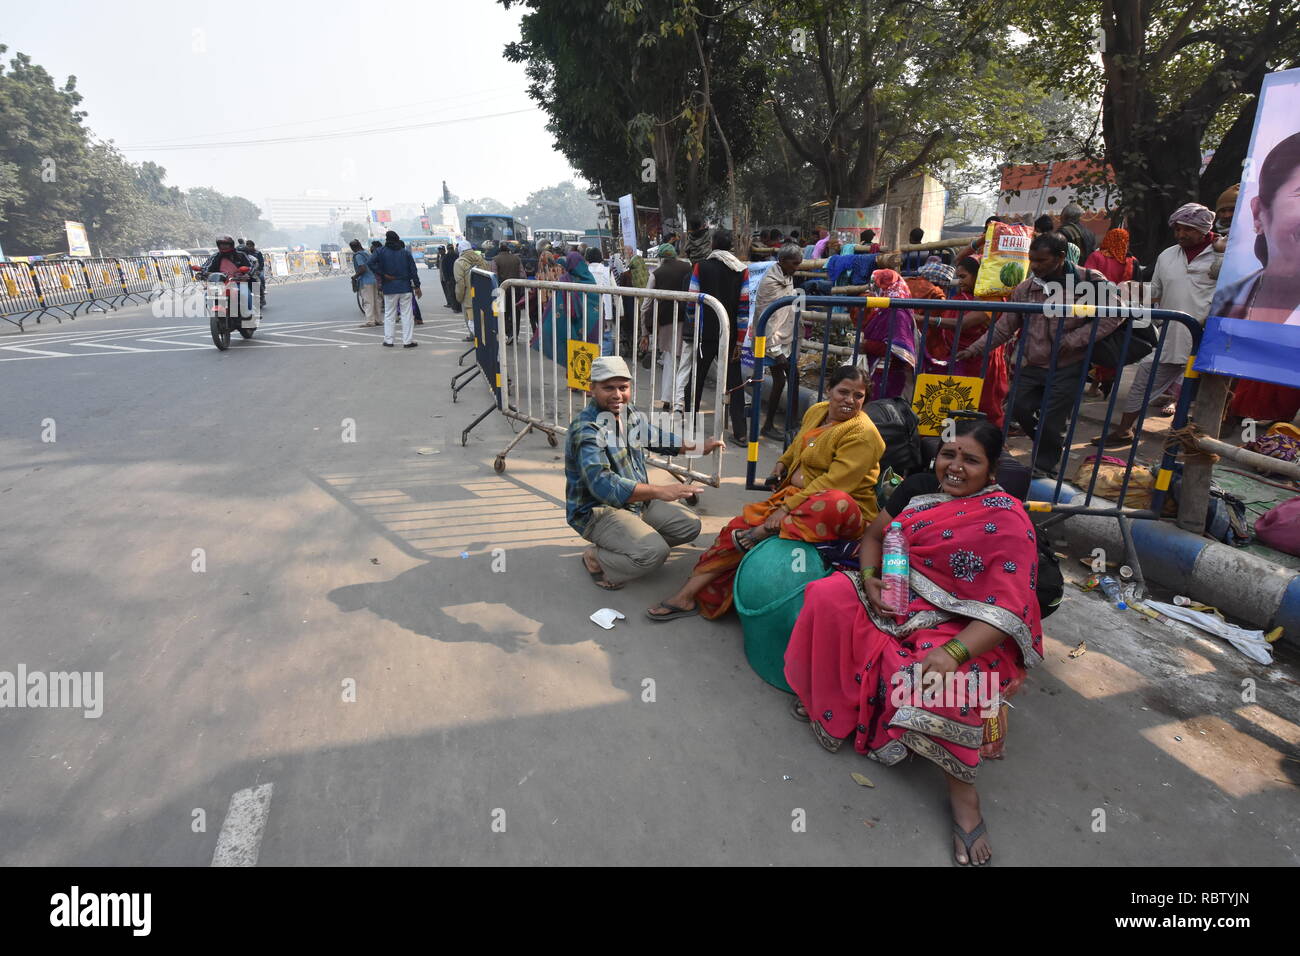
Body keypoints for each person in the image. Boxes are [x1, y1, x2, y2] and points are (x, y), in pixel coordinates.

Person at [784, 419, 1043, 865]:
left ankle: (965, 801)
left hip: (970, 628)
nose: (955, 467)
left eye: (970, 460)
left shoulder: (1007, 518)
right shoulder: (921, 494)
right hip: (901, 599)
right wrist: (869, 582)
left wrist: (953, 650)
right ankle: (831, 698)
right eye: (949, 455)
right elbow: (873, 537)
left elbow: (1008, 611)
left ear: (992, 469)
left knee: (943, 677)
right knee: (828, 593)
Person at [649, 364, 884, 621]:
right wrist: (782, 463)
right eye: (843, 392)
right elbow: (798, 446)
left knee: (833, 500)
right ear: (829, 390)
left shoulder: (863, 434)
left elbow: (835, 483)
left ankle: (764, 531)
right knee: (735, 531)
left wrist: (785, 509)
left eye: (858, 396)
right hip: (800, 498)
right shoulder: (818, 411)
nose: (850, 401)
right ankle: (686, 596)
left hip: (840, 508)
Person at [957, 232, 1120, 476]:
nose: (1034, 266)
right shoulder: (1025, 288)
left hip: (1069, 364)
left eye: (1041, 261)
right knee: (1018, 407)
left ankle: (1044, 467)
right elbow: (1004, 326)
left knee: (1053, 420)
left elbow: (1115, 313)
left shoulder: (1089, 281)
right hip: (1032, 362)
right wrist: (974, 349)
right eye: (1032, 260)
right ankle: (1049, 442)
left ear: (1061, 257)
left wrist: (1076, 339)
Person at [568, 356, 724, 591]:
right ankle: (595, 557)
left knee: (689, 525)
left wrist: (700, 446)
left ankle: (631, 543)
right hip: (597, 510)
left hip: (635, 503)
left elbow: (655, 436)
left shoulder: (627, 412)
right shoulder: (587, 429)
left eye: (623, 387)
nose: (617, 395)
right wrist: (660, 491)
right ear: (592, 389)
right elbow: (602, 484)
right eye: (608, 388)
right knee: (653, 552)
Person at [1092, 203, 1223, 446]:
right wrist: (1130, 291)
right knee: (1144, 376)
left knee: (1204, 395)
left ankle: (1192, 445)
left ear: (1204, 230)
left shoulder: (1223, 255)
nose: (1181, 234)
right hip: (1174, 336)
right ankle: (1124, 431)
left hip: (1210, 338)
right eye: (1178, 229)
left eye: (1188, 230)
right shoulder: (1168, 255)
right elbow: (1158, 291)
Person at [923, 257, 1010, 427]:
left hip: (983, 359)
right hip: (959, 358)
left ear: (979, 275)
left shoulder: (994, 300)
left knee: (985, 403)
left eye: (963, 277)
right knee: (958, 401)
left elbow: (963, 324)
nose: (959, 282)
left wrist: (928, 319)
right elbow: (958, 257)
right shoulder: (961, 298)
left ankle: (990, 443)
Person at [685, 229, 749, 442]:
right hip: (730, 335)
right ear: (730, 246)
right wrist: (740, 340)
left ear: (712, 244)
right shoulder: (741, 270)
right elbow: (743, 307)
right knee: (735, 382)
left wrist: (694, 327)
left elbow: (692, 301)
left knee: (697, 378)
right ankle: (740, 432)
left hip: (706, 334)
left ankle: (688, 424)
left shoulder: (700, 267)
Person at [754, 245, 803, 438]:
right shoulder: (770, 282)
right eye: (794, 263)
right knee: (781, 380)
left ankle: (791, 423)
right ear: (782, 262)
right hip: (772, 341)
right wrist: (775, 350)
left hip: (785, 337)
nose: (797, 267)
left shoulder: (787, 276)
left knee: (792, 378)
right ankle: (769, 425)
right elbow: (766, 318)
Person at [640, 243, 694, 411]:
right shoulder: (688, 267)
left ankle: (668, 399)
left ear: (661, 258)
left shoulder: (656, 273)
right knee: (686, 360)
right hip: (689, 320)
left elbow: (645, 304)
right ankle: (682, 400)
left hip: (667, 323)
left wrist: (644, 332)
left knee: (670, 359)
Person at [858, 268, 921, 400]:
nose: (873, 289)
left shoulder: (897, 312)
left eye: (877, 285)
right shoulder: (884, 309)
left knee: (883, 413)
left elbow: (900, 349)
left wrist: (867, 345)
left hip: (889, 375)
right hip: (879, 372)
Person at [367, 231, 422, 348]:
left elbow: (370, 263)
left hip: (389, 287)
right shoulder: (405, 253)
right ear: (397, 239)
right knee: (406, 315)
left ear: (387, 240)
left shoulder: (380, 251)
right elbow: (413, 270)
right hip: (405, 287)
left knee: (389, 314)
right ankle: (407, 341)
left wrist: (383, 274)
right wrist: (417, 286)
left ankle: (389, 341)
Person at [584, 246, 618, 354]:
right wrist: (619, 311)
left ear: (587, 259)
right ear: (601, 259)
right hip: (606, 312)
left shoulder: (584, 271)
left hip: (587, 311)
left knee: (588, 337)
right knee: (605, 337)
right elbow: (616, 292)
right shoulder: (607, 271)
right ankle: (603, 362)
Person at [453, 240, 488, 341]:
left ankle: (476, 338)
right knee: (482, 319)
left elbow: (460, 283)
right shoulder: (481, 260)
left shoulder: (459, 263)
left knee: (470, 319)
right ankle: (482, 338)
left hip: (468, 298)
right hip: (483, 295)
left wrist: (459, 297)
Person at [494, 240, 524, 342]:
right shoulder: (517, 259)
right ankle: (515, 335)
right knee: (515, 312)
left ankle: (506, 333)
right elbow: (522, 275)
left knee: (502, 312)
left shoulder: (495, 259)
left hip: (500, 290)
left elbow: (494, 276)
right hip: (515, 289)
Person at [350, 239, 381, 328]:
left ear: (352, 248)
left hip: (366, 281)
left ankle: (370, 321)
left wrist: (355, 276)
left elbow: (362, 268)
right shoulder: (366, 253)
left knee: (368, 302)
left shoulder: (358, 256)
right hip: (374, 279)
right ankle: (378, 320)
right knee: (376, 301)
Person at [243, 239, 267, 308]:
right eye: (247, 246)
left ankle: (262, 291)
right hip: (245, 272)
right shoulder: (242, 255)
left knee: (261, 277)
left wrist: (258, 270)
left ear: (253, 246)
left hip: (256, 270)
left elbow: (260, 263)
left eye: (250, 246)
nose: (249, 247)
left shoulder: (257, 253)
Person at [439, 243, 460, 310]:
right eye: (450, 249)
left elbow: (445, 270)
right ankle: (456, 307)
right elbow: (444, 270)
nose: (450, 250)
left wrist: (447, 279)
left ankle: (456, 307)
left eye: (451, 249)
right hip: (452, 278)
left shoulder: (453, 256)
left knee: (454, 293)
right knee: (453, 293)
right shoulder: (456, 256)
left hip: (453, 278)